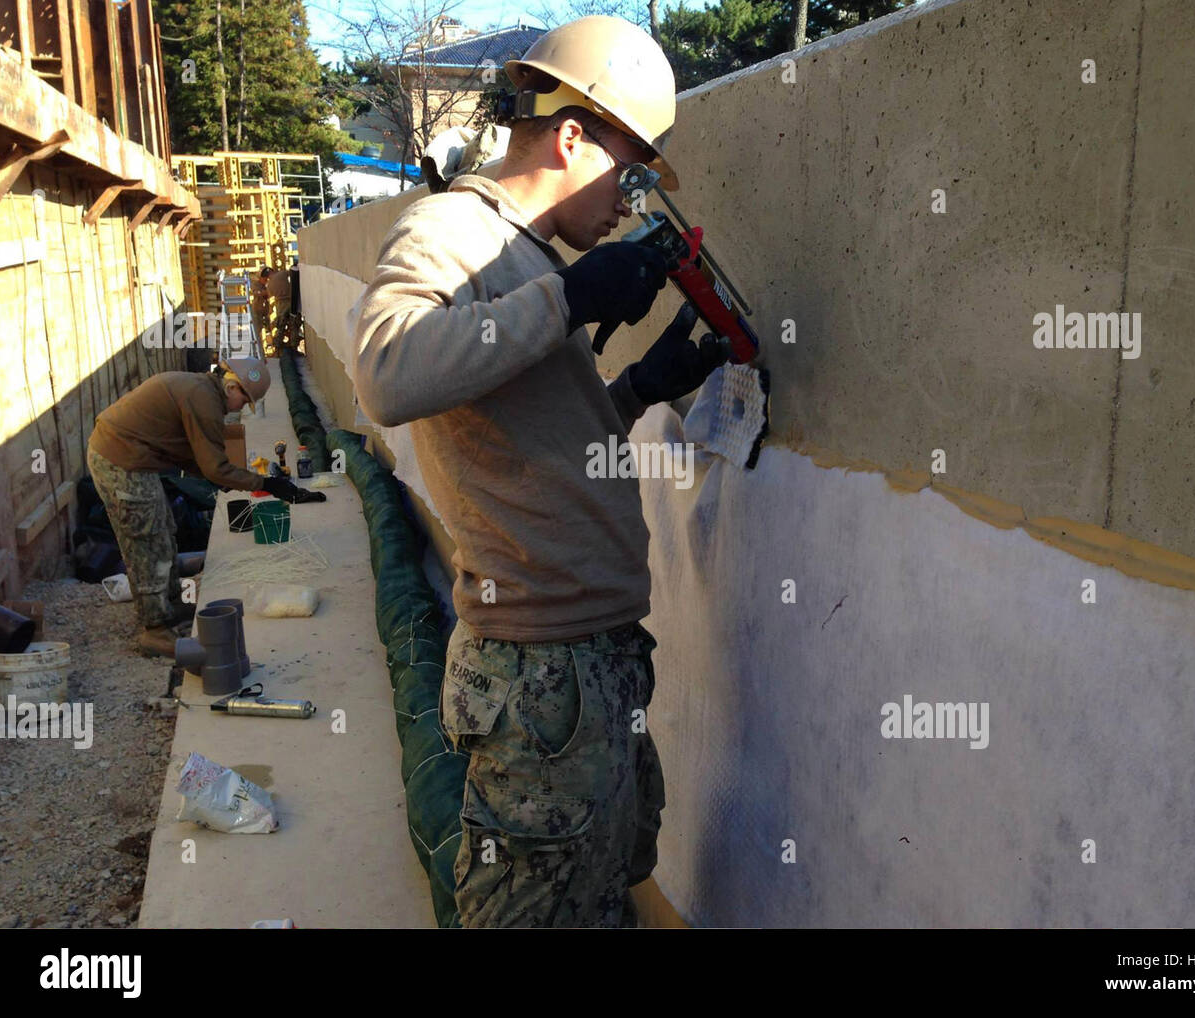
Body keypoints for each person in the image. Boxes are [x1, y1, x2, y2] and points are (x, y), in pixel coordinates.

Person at [353, 16, 727, 927]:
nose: (634, 205)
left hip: (593, 661)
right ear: (571, 136)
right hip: (537, 674)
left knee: (599, 892)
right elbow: (386, 371)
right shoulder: (452, 230)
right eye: (632, 171)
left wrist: (639, 388)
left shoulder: (522, 256)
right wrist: (570, 295)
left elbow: (536, 437)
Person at [86, 357, 326, 657]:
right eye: (244, 400)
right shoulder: (204, 401)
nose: (239, 408)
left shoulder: (202, 391)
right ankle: (153, 630)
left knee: (163, 529)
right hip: (120, 459)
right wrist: (266, 484)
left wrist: (231, 479)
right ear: (231, 385)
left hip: (134, 457)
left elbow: (195, 456)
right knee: (146, 540)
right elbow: (214, 467)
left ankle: (170, 601)